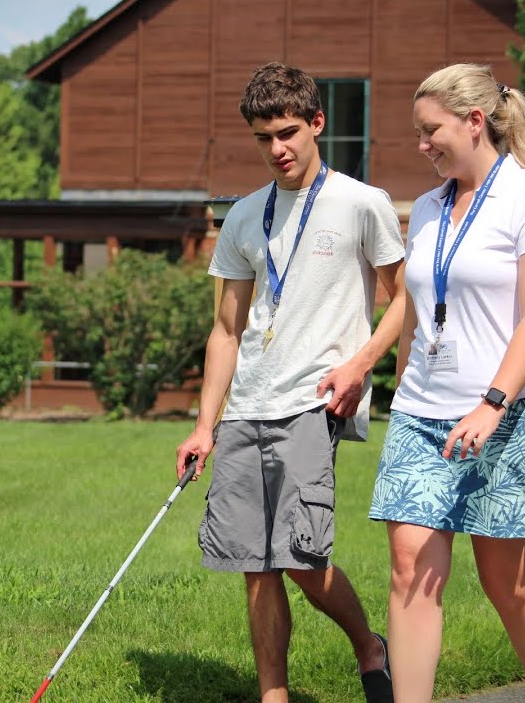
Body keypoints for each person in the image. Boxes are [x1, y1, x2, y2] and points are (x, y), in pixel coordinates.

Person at [175, 61, 406, 703]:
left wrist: (360, 366)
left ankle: (370, 647)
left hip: (315, 402)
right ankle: (273, 695)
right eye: (262, 138)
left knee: (301, 558)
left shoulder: (363, 204)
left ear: (316, 124)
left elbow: (403, 302)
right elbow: (226, 331)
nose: (276, 149)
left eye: (287, 133)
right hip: (247, 404)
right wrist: (204, 425)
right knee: (254, 564)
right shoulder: (244, 217)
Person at [368, 62, 525, 703]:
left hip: (505, 417)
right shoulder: (428, 207)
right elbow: (418, 299)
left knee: (507, 585)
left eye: (431, 131)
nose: (422, 144)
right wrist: (392, 374)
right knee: (408, 572)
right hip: (422, 413)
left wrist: (492, 403)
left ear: (475, 121)